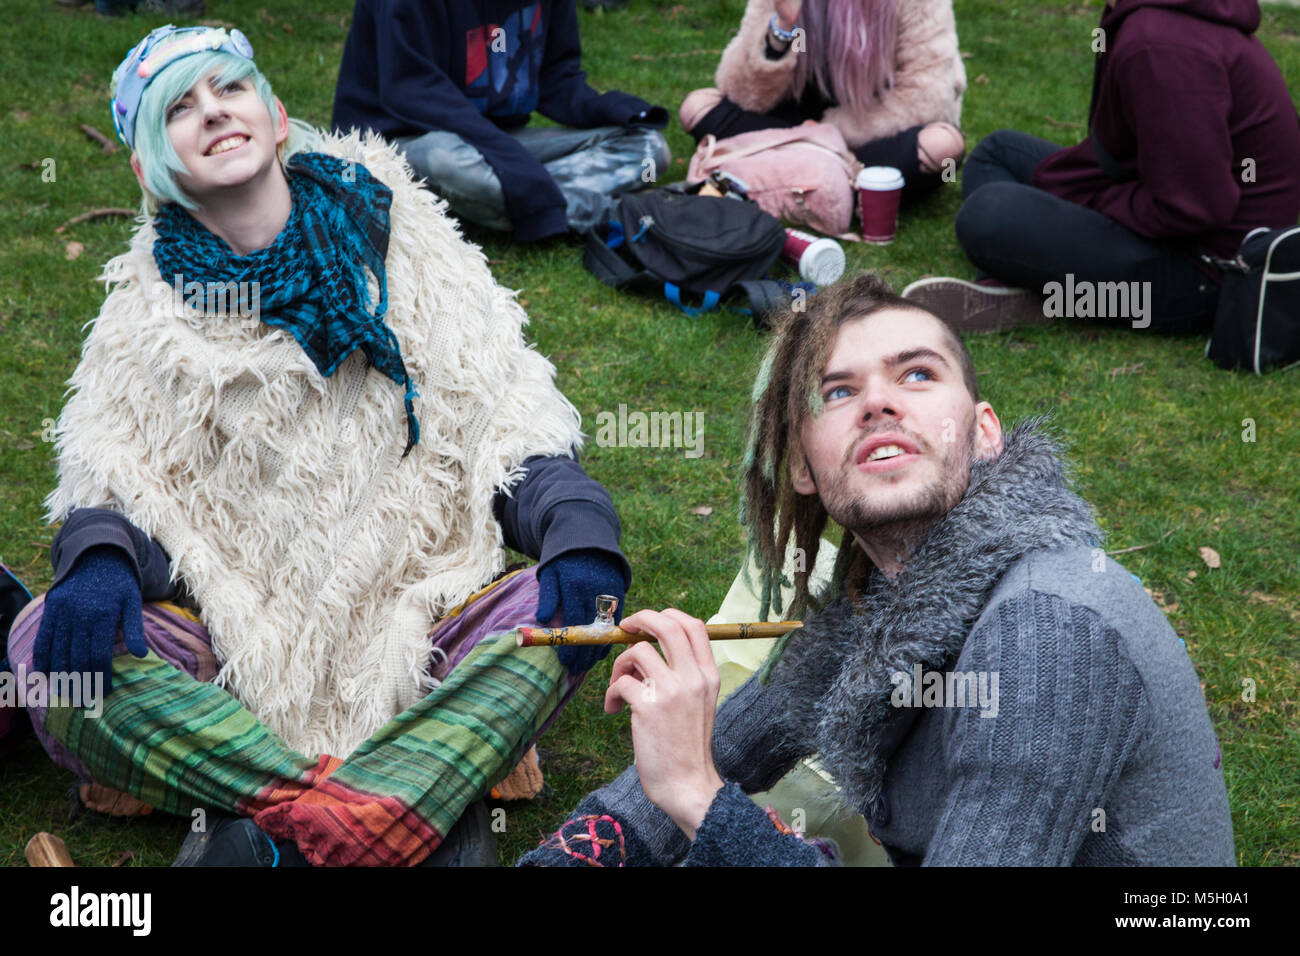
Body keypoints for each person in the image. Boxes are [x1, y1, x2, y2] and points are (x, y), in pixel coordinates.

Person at [5, 24, 631, 867]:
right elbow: (117, 483)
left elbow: (509, 418)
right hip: (233, 662)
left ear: (274, 112)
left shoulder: (403, 233)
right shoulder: (142, 316)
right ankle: (367, 809)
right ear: (149, 165)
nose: (214, 112)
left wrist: (576, 531)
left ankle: (271, 819)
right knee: (46, 648)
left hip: (419, 626)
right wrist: (102, 562)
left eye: (229, 88)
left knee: (567, 615)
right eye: (179, 109)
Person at [519, 273, 1235, 866]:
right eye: (838, 392)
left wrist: (697, 796)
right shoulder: (869, 603)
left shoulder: (1047, 632)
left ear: (986, 434)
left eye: (917, 374)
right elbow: (724, 749)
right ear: (803, 465)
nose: (879, 403)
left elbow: (692, 780)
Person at [904, 0, 1300, 333]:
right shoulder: (1147, 16)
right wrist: (1085, 192)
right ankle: (1053, 284)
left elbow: (1198, 206)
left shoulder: (1159, 43)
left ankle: (1055, 289)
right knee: (998, 151)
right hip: (1165, 206)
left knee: (987, 214)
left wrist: (1096, 201)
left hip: (1213, 273)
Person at [331, 0, 671, 242]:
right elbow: (411, 90)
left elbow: (557, 78)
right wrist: (509, 159)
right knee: (448, 161)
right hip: (402, 142)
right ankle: (604, 212)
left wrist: (613, 110)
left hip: (494, 137)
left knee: (648, 149)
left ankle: (518, 203)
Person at [679, 0, 967, 202]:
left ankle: (773, 173)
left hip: (875, 126)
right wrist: (783, 28)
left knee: (942, 148)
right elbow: (744, 93)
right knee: (698, 108)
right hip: (799, 115)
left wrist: (827, 133)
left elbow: (924, 98)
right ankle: (837, 187)